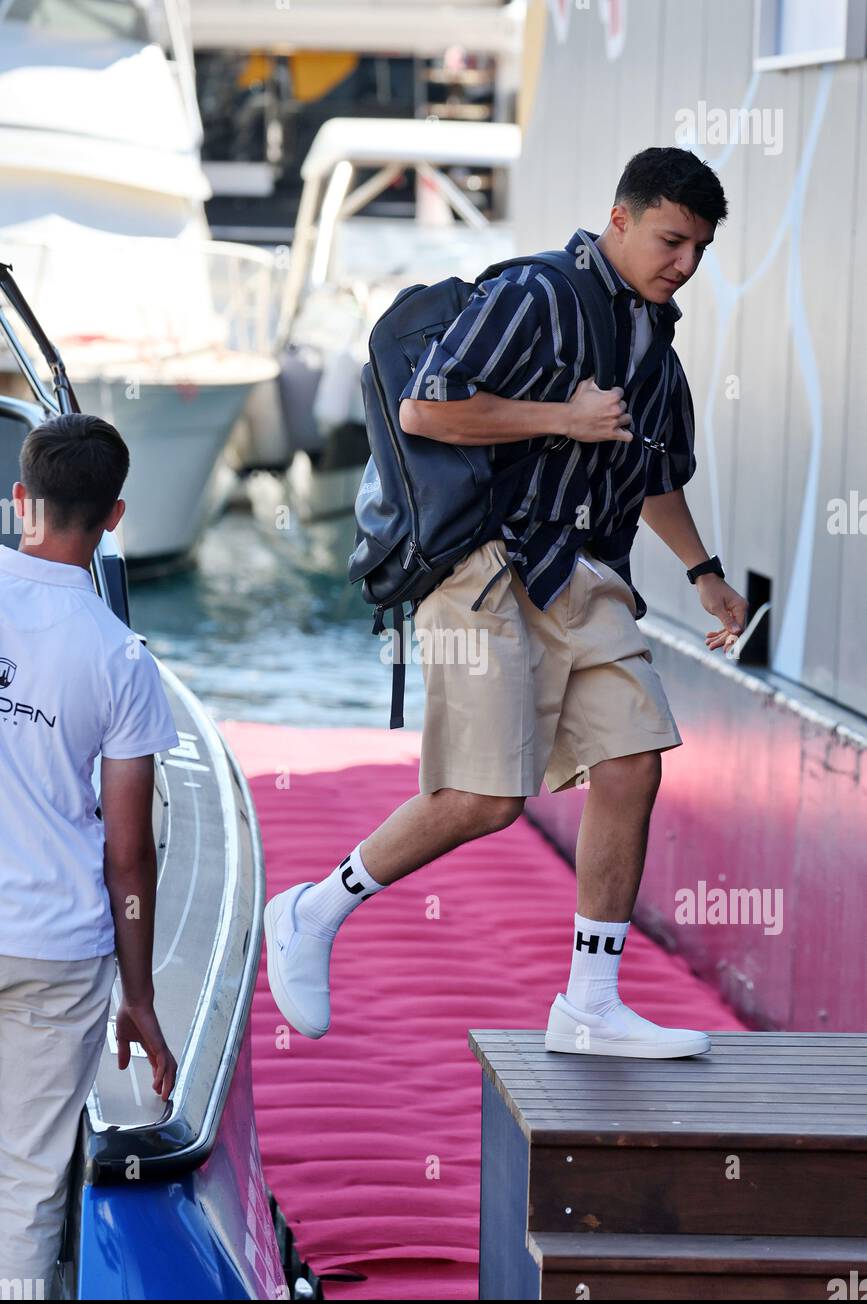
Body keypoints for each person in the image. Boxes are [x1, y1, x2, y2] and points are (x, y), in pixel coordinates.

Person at [264, 147, 749, 1060]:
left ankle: (589, 1004)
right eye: (669, 239)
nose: (682, 262)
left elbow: (650, 473)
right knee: (485, 799)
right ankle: (310, 909)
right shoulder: (536, 293)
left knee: (633, 762)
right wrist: (562, 416)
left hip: (584, 570)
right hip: (485, 560)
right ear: (620, 218)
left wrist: (700, 569)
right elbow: (428, 409)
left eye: (698, 249)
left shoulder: (657, 341)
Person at [0, 413, 179, 1300]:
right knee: (28, 1187)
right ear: (114, 519)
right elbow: (128, 856)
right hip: (55, 950)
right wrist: (139, 998)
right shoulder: (121, 659)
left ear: (20, 500)